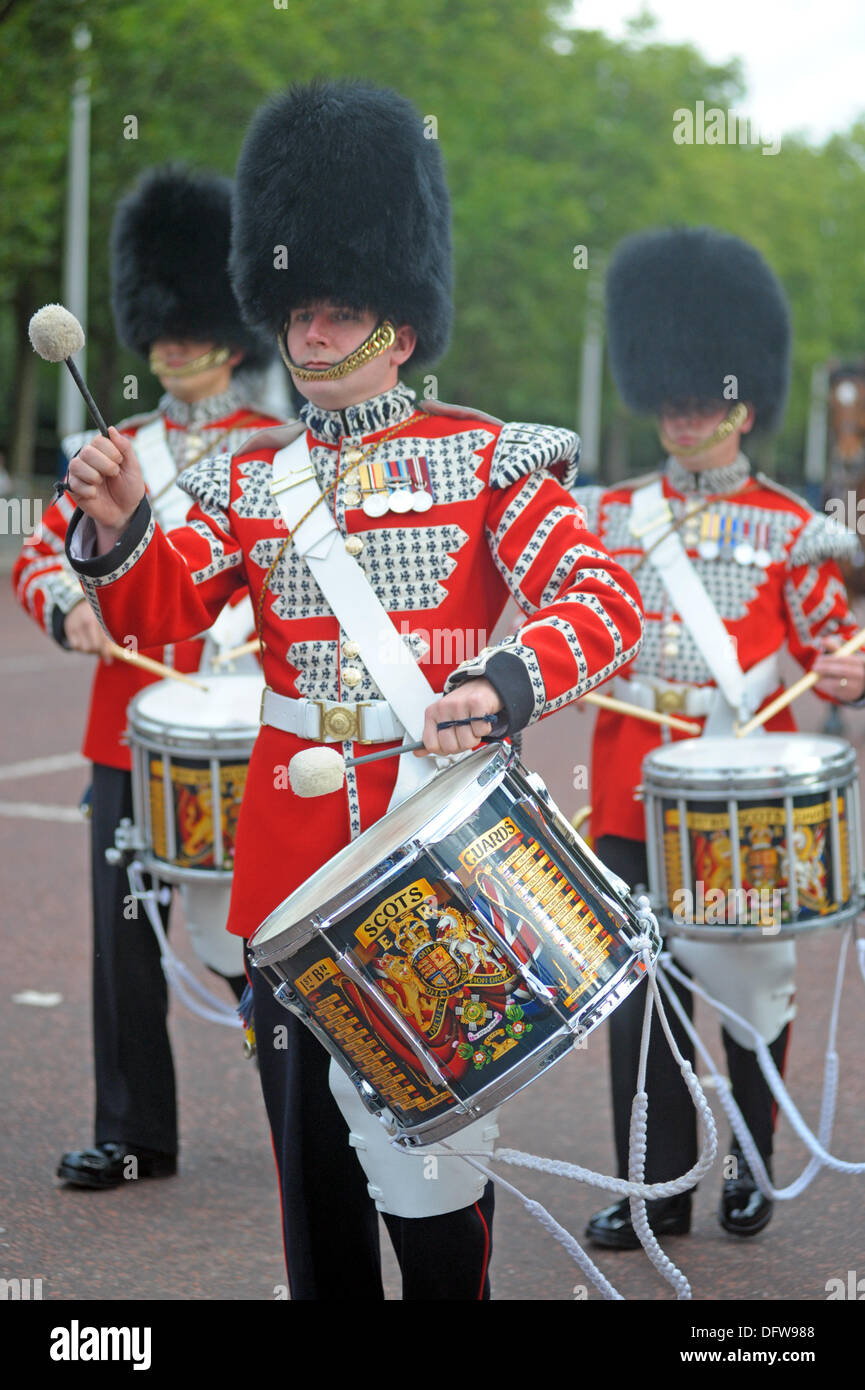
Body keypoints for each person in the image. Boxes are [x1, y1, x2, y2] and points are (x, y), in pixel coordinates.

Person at [61, 80, 643, 1299]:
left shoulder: (496, 457)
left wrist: (502, 679)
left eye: (338, 314)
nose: (311, 337)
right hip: (290, 870)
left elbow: (603, 603)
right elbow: (164, 615)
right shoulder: (247, 479)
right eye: (297, 314)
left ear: (403, 325)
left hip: (434, 858)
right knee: (314, 1183)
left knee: (431, 1186)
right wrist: (115, 529)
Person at [575, 226, 864, 1248]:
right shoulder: (607, 519)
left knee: (749, 992)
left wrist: (847, 671)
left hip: (742, 794)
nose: (681, 414)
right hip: (628, 790)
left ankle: (750, 1160)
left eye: (700, 399)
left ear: (741, 407)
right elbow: (568, 632)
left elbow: (839, 645)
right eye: (671, 397)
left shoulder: (795, 530)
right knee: (641, 1000)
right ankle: (654, 1189)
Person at [13, 165, 285, 1190]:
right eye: (160, 326)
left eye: (192, 323)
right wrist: (71, 603)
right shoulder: (109, 447)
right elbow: (40, 552)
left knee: (252, 934)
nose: (172, 344)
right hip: (125, 728)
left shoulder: (278, 452)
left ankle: (299, 1103)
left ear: (231, 330)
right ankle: (133, 1131)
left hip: (244, 724)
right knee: (124, 943)